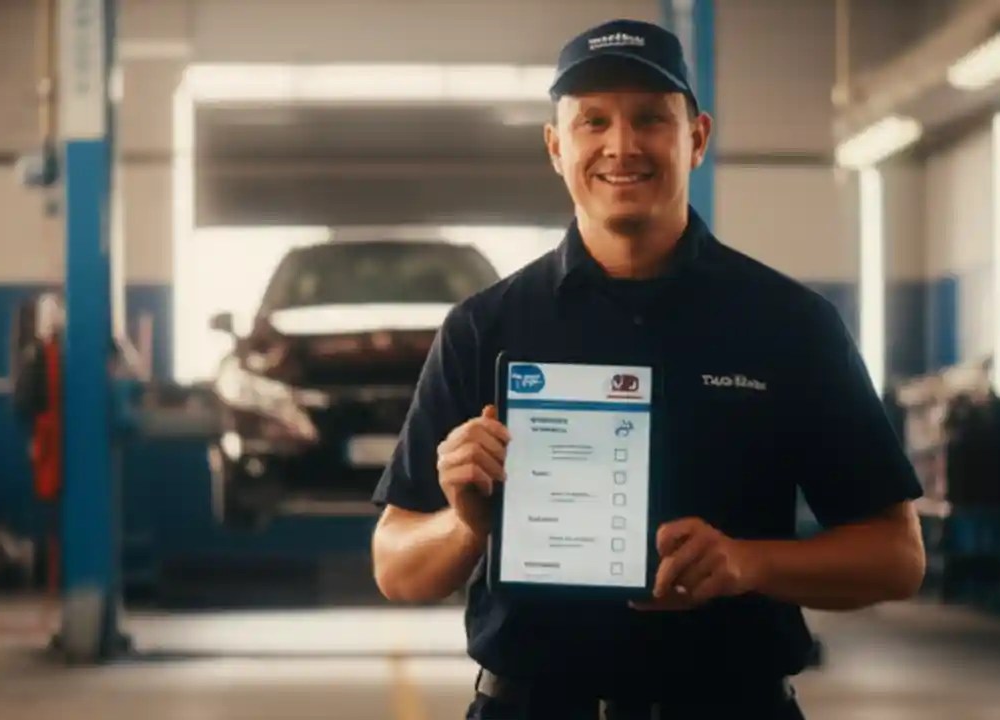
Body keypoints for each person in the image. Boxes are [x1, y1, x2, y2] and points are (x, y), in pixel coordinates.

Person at [369, 18, 926, 720]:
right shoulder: (486, 328)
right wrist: (467, 524)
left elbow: (897, 556)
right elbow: (396, 567)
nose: (621, 146)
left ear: (697, 137)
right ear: (555, 146)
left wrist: (748, 563)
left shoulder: (789, 326)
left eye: (650, 119)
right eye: (593, 121)